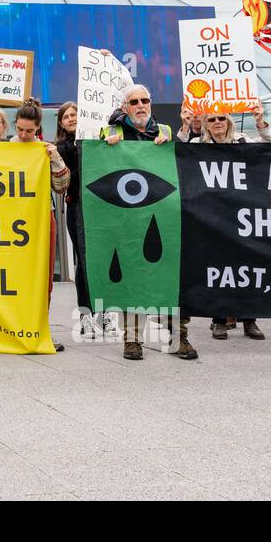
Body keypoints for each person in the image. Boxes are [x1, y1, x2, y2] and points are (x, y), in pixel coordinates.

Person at [102, 85, 197, 361]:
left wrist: (176, 139)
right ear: (125, 107)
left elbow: (180, 163)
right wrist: (107, 150)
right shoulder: (111, 133)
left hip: (163, 216)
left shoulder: (164, 131)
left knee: (169, 275)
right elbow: (99, 166)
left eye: (145, 100)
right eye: (134, 102)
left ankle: (178, 335)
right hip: (127, 218)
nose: (141, 105)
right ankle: (132, 339)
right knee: (131, 276)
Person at [194, 104, 271, 341]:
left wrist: (261, 123)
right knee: (218, 269)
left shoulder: (242, 141)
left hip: (242, 215)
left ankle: (250, 320)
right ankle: (218, 320)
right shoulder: (197, 146)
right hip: (212, 218)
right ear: (205, 124)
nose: (217, 122)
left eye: (222, 118)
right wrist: (186, 127)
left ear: (229, 122)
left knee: (247, 268)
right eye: (212, 119)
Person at [10, 99, 72, 351]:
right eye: (21, 129)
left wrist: (55, 159)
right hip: (11, 220)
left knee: (43, 276)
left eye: (30, 131)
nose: (24, 135)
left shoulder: (45, 149)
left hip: (42, 216)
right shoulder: (4, 148)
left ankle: (39, 329)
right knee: (13, 276)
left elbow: (61, 186)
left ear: (37, 128)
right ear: (15, 125)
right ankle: (12, 327)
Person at [54, 102, 116, 341]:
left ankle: (105, 314)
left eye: (74, 114)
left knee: (103, 260)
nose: (71, 119)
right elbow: (68, 180)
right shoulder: (62, 148)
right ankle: (85, 315)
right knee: (84, 261)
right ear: (61, 123)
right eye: (66, 116)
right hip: (78, 205)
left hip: (102, 207)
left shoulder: (100, 141)